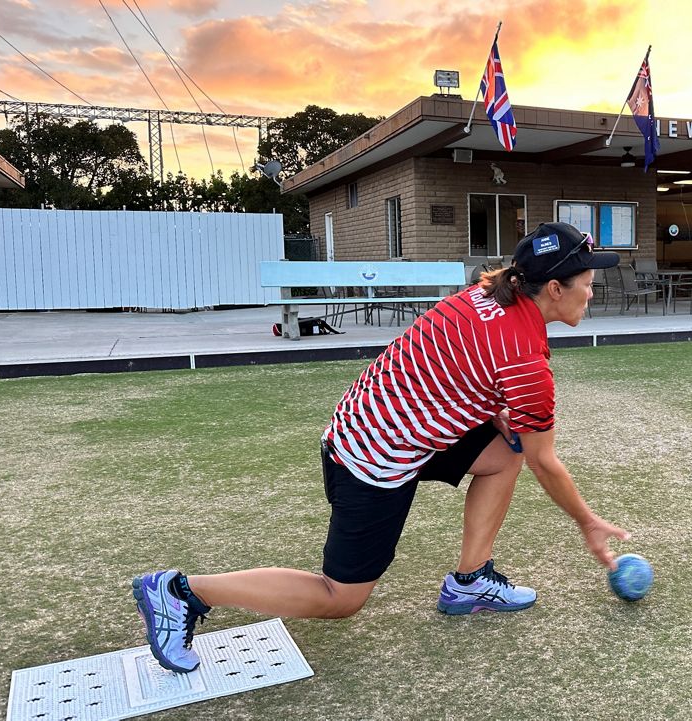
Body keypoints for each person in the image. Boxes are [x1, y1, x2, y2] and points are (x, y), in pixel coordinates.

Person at [131, 222, 631, 674]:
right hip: (372, 454)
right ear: (553, 289)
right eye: (587, 281)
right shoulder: (525, 358)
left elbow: (457, 369)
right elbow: (547, 461)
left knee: (507, 451)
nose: (592, 290)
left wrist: (495, 412)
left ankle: (469, 580)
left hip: (392, 421)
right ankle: (181, 591)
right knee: (341, 597)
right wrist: (588, 523)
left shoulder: (490, 293)